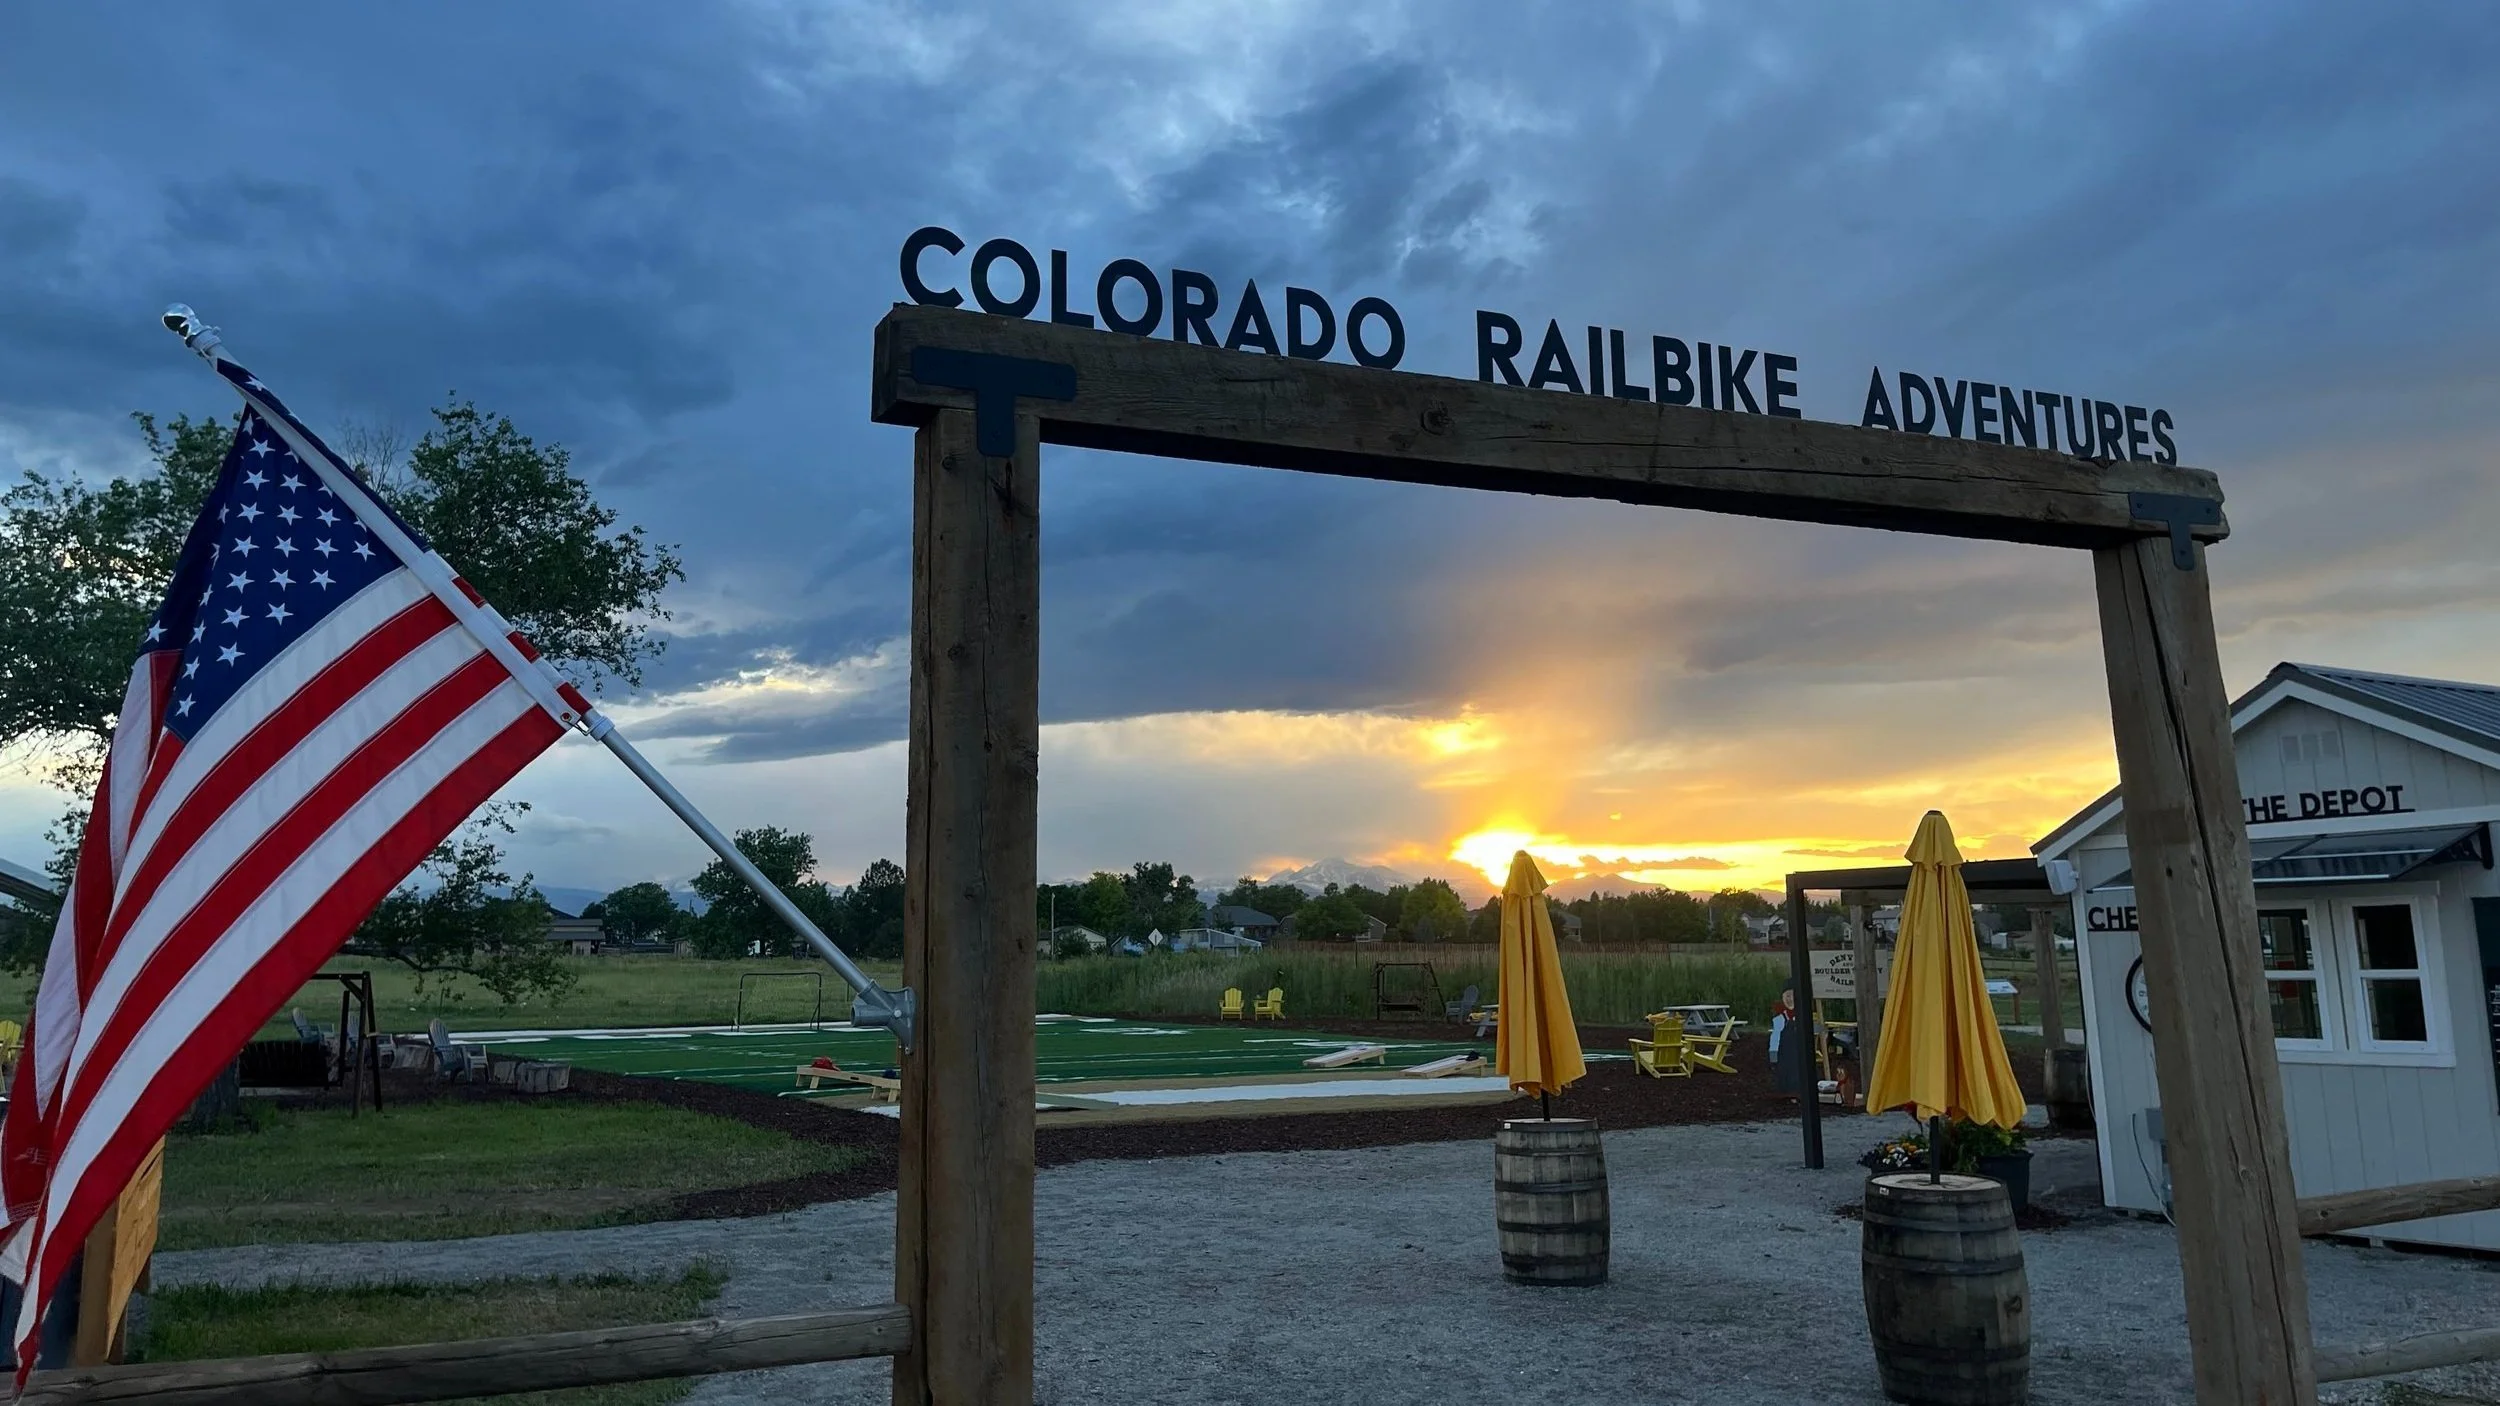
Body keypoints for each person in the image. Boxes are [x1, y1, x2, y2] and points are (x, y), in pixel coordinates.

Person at [1769, 988, 1801, 1096]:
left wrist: (1821, 1029)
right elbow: (1775, 1036)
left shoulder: (1800, 1015)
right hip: (1784, 1052)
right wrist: (1773, 1054)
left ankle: (1797, 1091)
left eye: (1792, 996)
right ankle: (1786, 1092)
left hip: (1797, 1050)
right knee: (1785, 1071)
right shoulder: (1780, 1017)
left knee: (1797, 1071)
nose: (1790, 999)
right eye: (1787, 996)